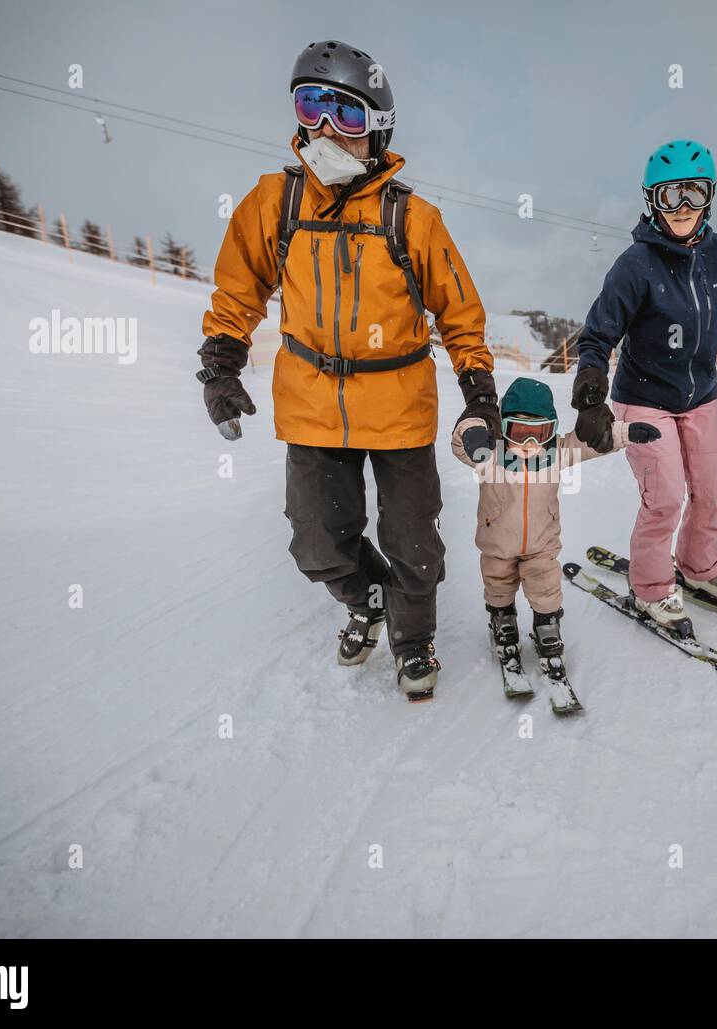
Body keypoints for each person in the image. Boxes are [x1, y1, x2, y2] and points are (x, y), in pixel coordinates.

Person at [195, 40, 498, 702]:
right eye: (313, 106)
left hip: (398, 406)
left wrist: (480, 394)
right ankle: (368, 598)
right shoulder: (275, 203)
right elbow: (238, 289)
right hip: (311, 401)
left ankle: (413, 641)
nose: (326, 127)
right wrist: (219, 359)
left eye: (347, 114)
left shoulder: (412, 217)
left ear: (378, 129)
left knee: (414, 540)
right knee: (316, 543)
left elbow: (460, 315)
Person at [570, 140, 717, 629]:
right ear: (651, 201)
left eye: (693, 194)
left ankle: (701, 570)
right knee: (664, 497)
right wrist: (592, 396)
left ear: (710, 197)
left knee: (710, 489)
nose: (682, 208)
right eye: (669, 196)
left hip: (700, 396)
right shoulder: (635, 265)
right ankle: (653, 589)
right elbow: (597, 334)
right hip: (643, 398)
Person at [452, 377, 659, 667]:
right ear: (503, 425)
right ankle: (503, 618)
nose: (529, 443)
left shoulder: (554, 453)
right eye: (520, 431)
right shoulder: (491, 454)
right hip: (496, 541)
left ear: (551, 430)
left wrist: (625, 433)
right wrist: (471, 431)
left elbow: (592, 442)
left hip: (541, 543)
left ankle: (546, 624)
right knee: (497, 583)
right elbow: (462, 445)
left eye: (540, 432)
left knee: (545, 584)